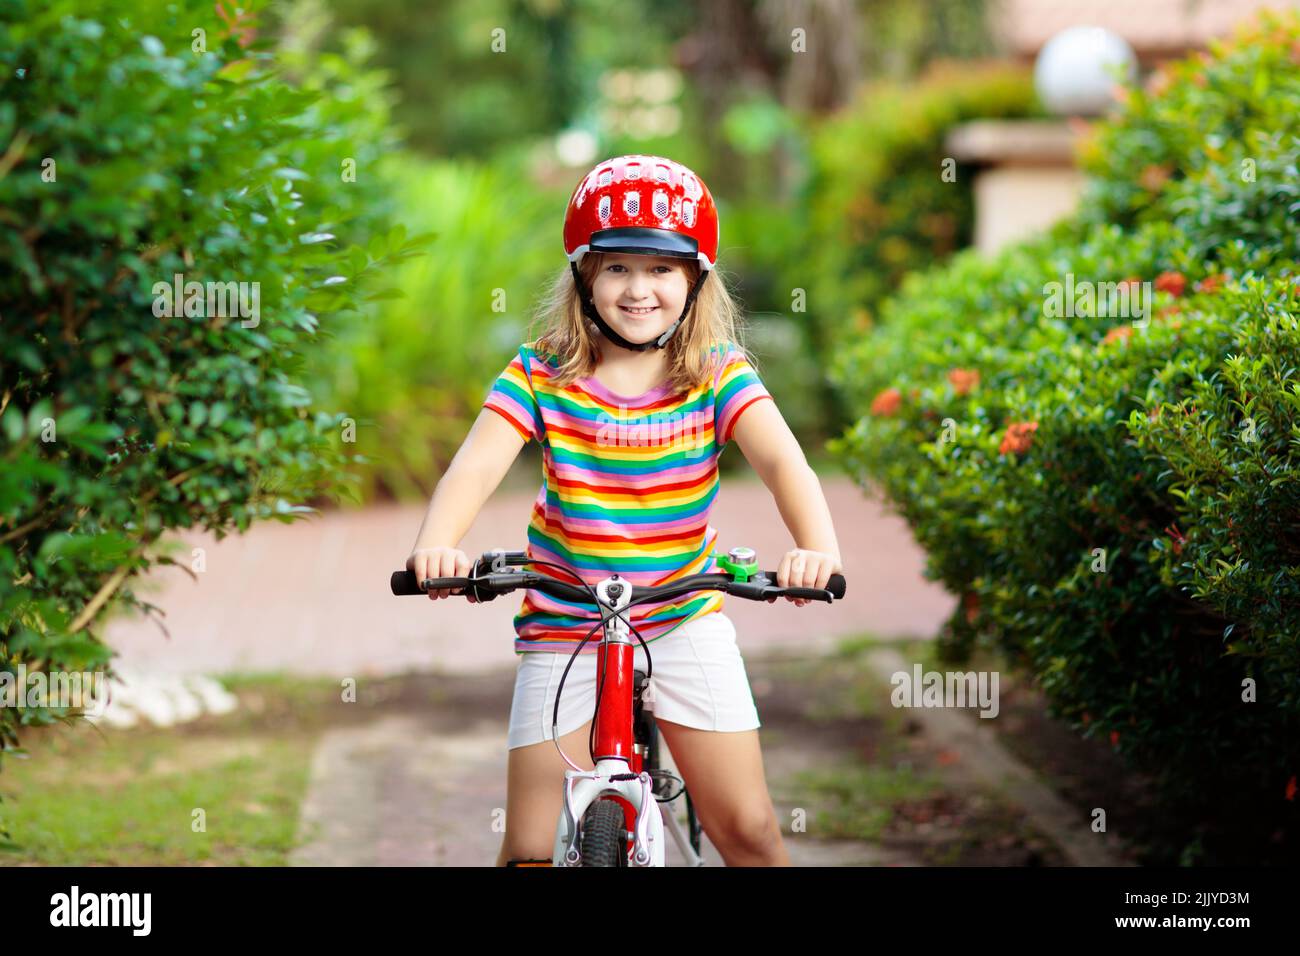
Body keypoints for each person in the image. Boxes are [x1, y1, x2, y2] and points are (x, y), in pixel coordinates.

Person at [405, 154, 842, 866]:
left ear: (695, 280)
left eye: (662, 269)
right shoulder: (542, 372)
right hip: (566, 621)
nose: (639, 289)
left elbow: (785, 463)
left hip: (681, 617)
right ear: (583, 275)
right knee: (525, 850)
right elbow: (476, 465)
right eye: (617, 268)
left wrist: (816, 548)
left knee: (752, 832)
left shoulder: (716, 374)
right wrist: (439, 543)